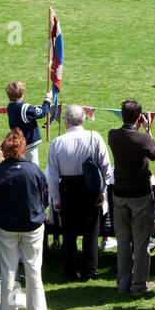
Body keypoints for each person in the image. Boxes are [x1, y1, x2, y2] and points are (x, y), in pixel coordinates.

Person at [45, 104, 113, 282]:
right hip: (90, 189)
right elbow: (106, 168)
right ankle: (90, 270)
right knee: (91, 232)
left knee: (69, 233)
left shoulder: (57, 143)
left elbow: (52, 175)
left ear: (66, 120)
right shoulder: (94, 137)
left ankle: (70, 270)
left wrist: (55, 199)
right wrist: (103, 190)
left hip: (67, 190)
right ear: (83, 119)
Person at [0, 129, 48, 310]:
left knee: (8, 268)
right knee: (33, 267)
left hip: (6, 225)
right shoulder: (33, 170)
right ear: (23, 148)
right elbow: (43, 191)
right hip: (31, 224)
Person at [106, 99, 155, 295]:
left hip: (119, 193)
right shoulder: (142, 139)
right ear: (139, 117)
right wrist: (147, 130)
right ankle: (139, 284)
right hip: (139, 195)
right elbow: (153, 153)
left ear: (122, 115)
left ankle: (123, 283)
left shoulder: (113, 135)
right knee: (141, 240)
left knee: (122, 240)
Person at [5, 81, 52, 167]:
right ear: (22, 94)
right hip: (28, 143)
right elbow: (42, 113)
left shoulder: (10, 106)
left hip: (18, 142)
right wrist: (47, 100)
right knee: (33, 166)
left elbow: (34, 112)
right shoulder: (24, 108)